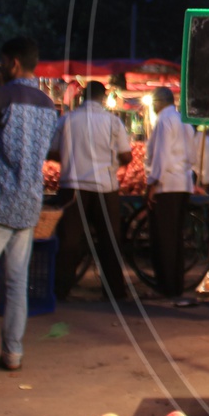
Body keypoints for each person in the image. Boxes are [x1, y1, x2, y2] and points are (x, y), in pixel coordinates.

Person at [0, 37, 57, 371]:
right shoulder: (48, 104)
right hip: (29, 203)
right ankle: (13, 353)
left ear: (12, 63)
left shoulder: (2, 95)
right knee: (17, 282)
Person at [51, 80, 132, 299]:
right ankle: (114, 290)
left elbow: (53, 152)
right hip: (105, 188)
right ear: (103, 98)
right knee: (109, 239)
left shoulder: (67, 120)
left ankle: (60, 290)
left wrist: (72, 158)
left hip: (73, 186)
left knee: (69, 240)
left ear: (82, 97)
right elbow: (126, 156)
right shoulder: (113, 122)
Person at [145, 86, 196, 304]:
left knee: (164, 239)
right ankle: (175, 285)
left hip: (167, 185)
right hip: (183, 183)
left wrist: (153, 183)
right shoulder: (183, 120)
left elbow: (161, 155)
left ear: (158, 102)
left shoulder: (164, 121)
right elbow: (193, 153)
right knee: (175, 238)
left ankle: (165, 287)